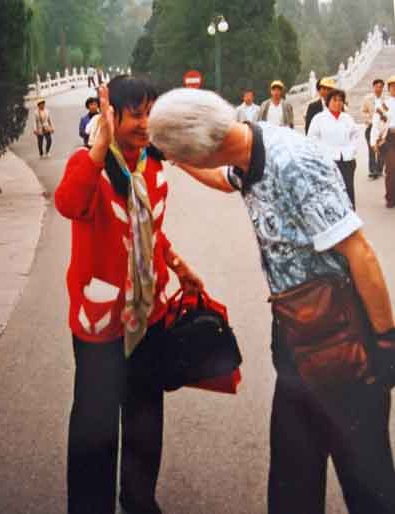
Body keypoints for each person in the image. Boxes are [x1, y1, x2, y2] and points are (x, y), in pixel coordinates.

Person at [148, 87, 395, 514]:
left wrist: (388, 344)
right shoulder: (246, 150)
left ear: (207, 145)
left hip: (344, 347)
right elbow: (222, 180)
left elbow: (360, 252)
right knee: (292, 488)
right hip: (296, 346)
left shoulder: (292, 161)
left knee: (369, 487)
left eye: (186, 155)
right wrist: (177, 159)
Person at [55, 76, 203, 514]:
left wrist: (178, 266)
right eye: (136, 113)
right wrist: (99, 148)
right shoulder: (89, 168)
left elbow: (151, 233)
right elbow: (68, 203)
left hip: (148, 316)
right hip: (101, 323)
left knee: (144, 419)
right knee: (96, 425)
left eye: (150, 113)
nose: (145, 122)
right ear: (112, 116)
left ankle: (139, 499)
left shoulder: (152, 169)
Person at [308, 88, 359, 209]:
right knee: (330, 192)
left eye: (340, 100)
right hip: (328, 160)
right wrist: (322, 153)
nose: (337, 103)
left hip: (346, 159)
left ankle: (350, 219)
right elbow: (312, 138)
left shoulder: (347, 118)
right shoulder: (319, 118)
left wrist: (351, 150)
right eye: (334, 100)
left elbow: (355, 136)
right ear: (328, 101)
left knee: (348, 190)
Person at [371, 75, 395, 208]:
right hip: (390, 138)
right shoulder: (385, 104)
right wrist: (374, 140)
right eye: (393, 86)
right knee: (391, 169)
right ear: (389, 88)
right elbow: (377, 122)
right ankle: (390, 197)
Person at [362, 78, 385, 179]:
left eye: (380, 87)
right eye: (376, 87)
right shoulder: (367, 99)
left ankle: (379, 169)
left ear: (383, 88)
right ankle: (373, 170)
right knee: (371, 149)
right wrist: (369, 120)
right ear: (373, 87)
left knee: (382, 149)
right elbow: (364, 111)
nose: (378, 89)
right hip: (371, 127)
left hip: (382, 128)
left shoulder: (386, 99)